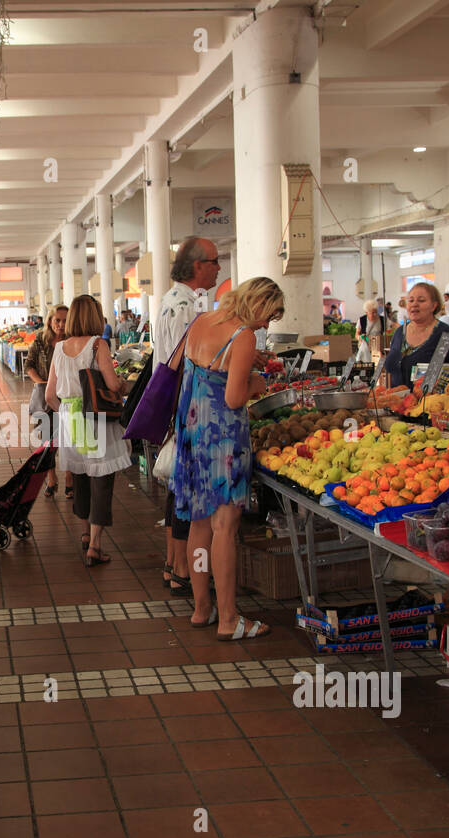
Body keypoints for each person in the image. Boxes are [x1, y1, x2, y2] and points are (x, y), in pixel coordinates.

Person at [172, 278, 280, 640]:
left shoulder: (200, 321)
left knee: (199, 525)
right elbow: (234, 398)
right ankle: (229, 618)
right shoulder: (243, 335)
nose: (266, 325)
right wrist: (257, 384)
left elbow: (203, 369)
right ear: (258, 305)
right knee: (225, 528)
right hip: (223, 441)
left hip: (192, 431)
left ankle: (202, 608)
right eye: (269, 316)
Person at [153, 236, 221, 596]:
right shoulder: (184, 307)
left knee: (177, 489)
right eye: (214, 261)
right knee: (187, 493)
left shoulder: (173, 299)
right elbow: (187, 362)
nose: (219, 268)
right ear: (198, 266)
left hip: (179, 406)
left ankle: (173, 563)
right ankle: (182, 567)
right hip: (189, 407)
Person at [44, 295, 130, 567]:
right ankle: (94, 544)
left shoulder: (59, 348)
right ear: (95, 316)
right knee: (101, 478)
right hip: (96, 420)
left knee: (80, 476)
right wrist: (122, 384)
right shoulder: (97, 344)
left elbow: (49, 396)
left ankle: (84, 533)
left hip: (70, 419)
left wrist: (67, 413)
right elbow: (112, 384)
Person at [381, 282, 449, 389]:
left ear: (434, 306)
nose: (414, 304)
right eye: (411, 300)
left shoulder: (447, 337)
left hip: (430, 399)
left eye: (421, 300)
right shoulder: (399, 333)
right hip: (395, 398)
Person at [25, 308, 72, 497]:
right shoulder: (40, 340)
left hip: (67, 397)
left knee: (69, 440)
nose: (61, 324)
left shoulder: (73, 340)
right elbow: (29, 365)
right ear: (50, 321)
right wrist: (42, 383)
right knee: (47, 441)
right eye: (57, 320)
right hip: (45, 398)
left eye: (65, 320)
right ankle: (52, 479)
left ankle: (70, 479)